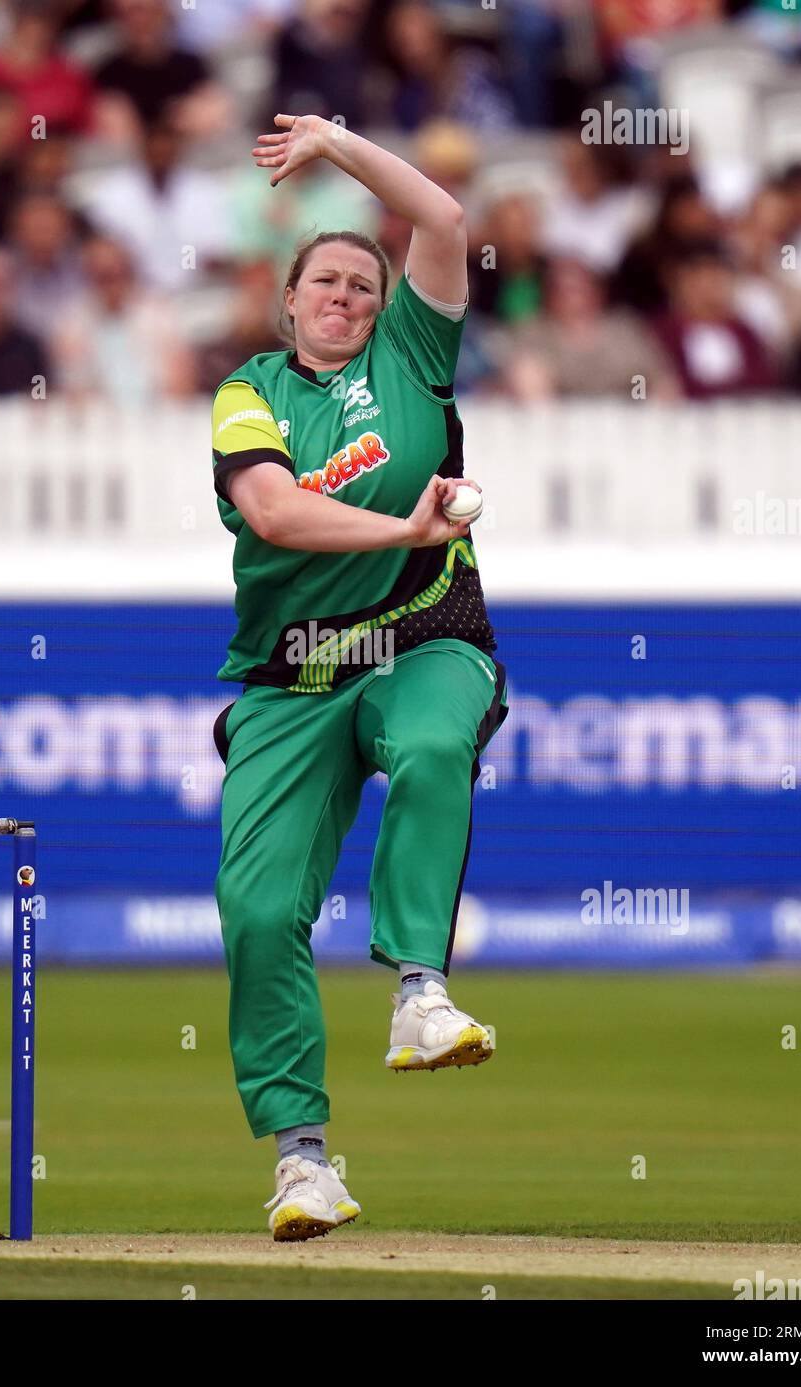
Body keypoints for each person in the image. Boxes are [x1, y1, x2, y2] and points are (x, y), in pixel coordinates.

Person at [209, 112, 510, 1242]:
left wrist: (332, 142)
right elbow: (275, 511)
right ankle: (301, 1161)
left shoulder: (413, 358)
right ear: (288, 302)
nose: (341, 294)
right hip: (290, 679)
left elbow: (438, 215)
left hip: (424, 637)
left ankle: (419, 994)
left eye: (360, 284)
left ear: (385, 308)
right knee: (255, 909)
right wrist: (406, 531)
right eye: (322, 281)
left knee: (435, 745)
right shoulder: (247, 393)